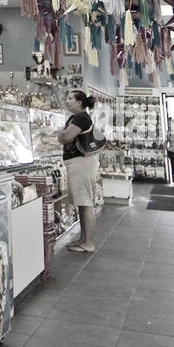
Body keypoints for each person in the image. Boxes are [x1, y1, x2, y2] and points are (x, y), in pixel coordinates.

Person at [58, 89, 99, 254]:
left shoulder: (81, 118)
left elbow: (66, 137)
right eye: (66, 97)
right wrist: (62, 135)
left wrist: (61, 135)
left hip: (81, 163)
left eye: (70, 98)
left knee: (86, 203)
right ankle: (83, 239)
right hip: (77, 164)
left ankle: (88, 242)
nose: (67, 101)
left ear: (80, 103)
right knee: (82, 204)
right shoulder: (75, 118)